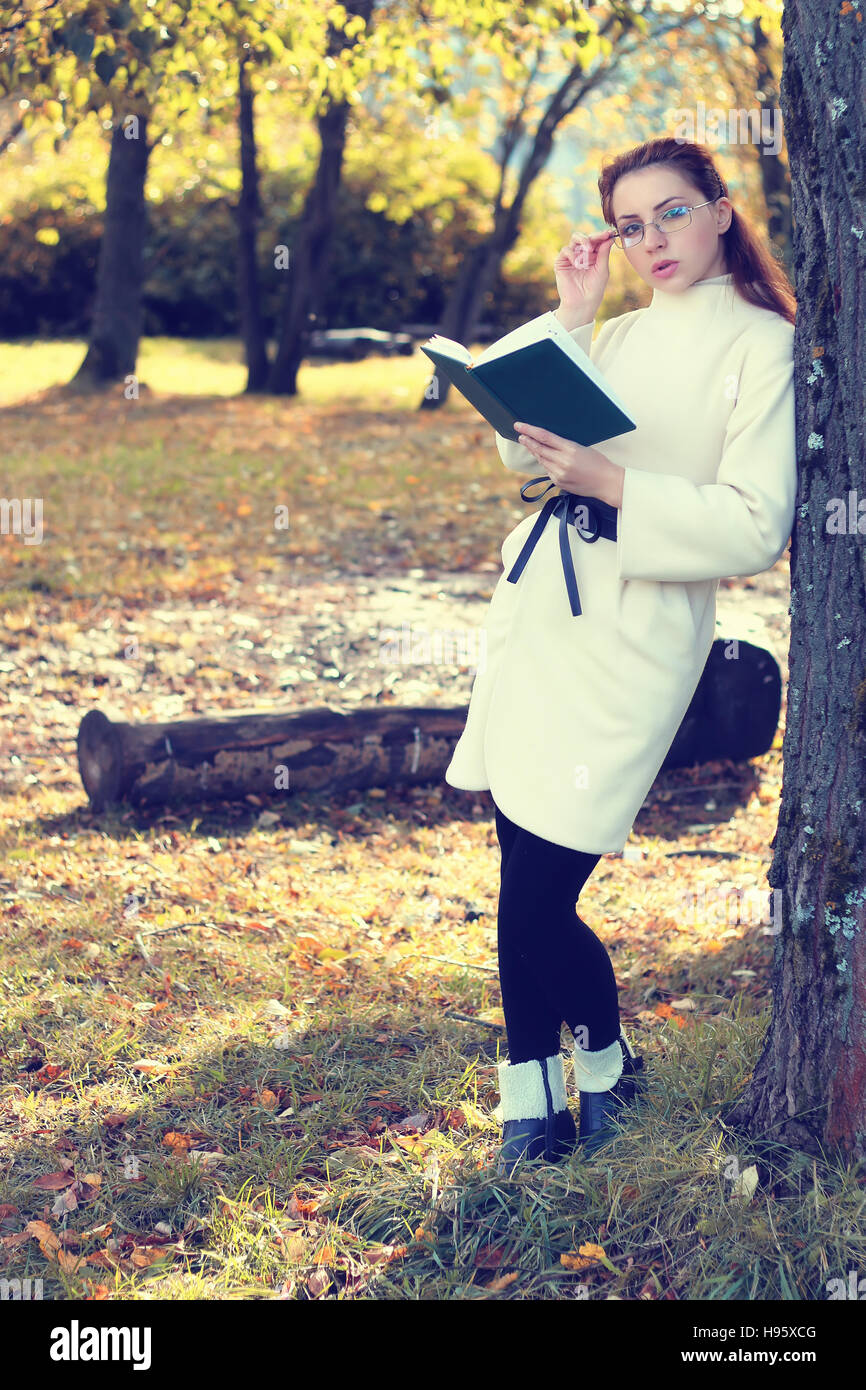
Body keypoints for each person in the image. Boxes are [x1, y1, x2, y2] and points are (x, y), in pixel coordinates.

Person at [443, 137, 798, 1176]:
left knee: (539, 891)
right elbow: (519, 445)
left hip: (636, 637)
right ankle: (571, 1081)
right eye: (631, 225)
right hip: (543, 618)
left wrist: (612, 483)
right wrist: (570, 316)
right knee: (522, 875)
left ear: (721, 210)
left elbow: (751, 524)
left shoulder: (760, 345)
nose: (652, 240)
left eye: (671, 214)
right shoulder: (623, 329)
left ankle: (564, 1085)